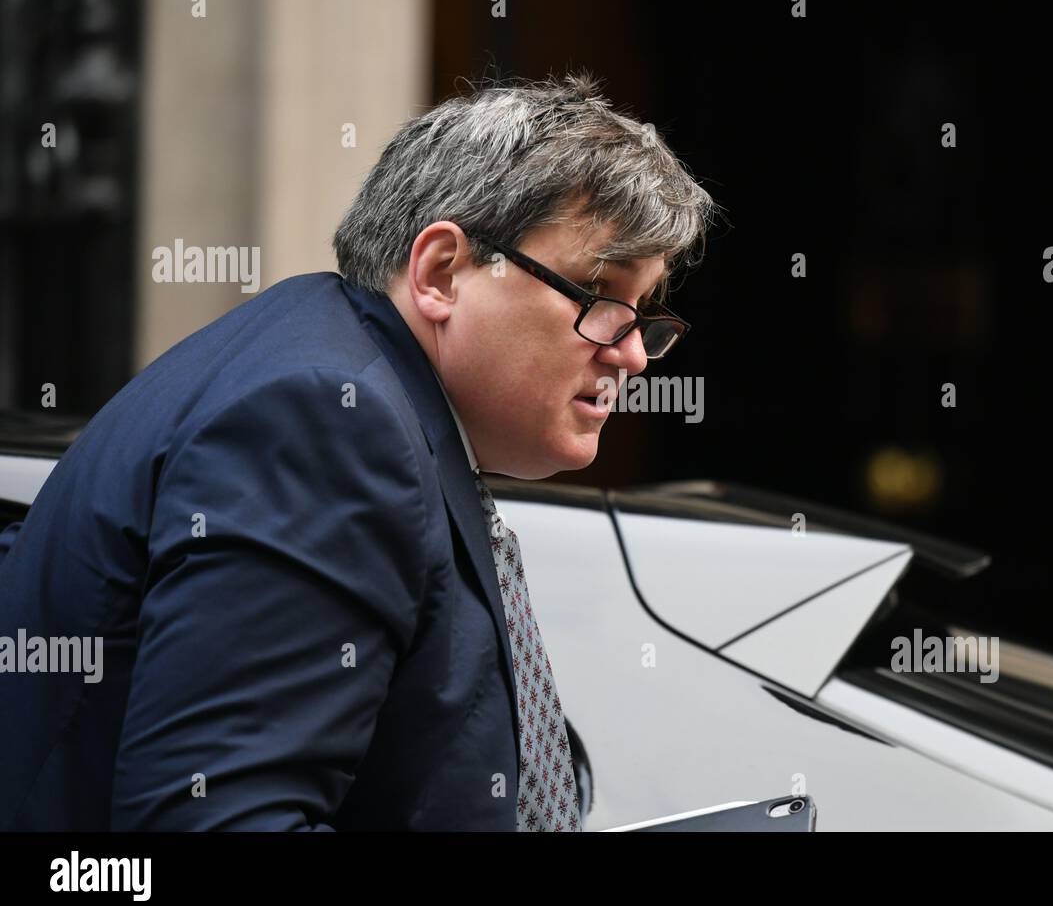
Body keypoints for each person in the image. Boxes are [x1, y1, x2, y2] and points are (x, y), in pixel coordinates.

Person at [0, 72, 717, 830]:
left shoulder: (341, 377)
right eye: (600, 294)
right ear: (442, 272)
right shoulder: (325, 423)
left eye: (645, 315)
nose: (633, 355)